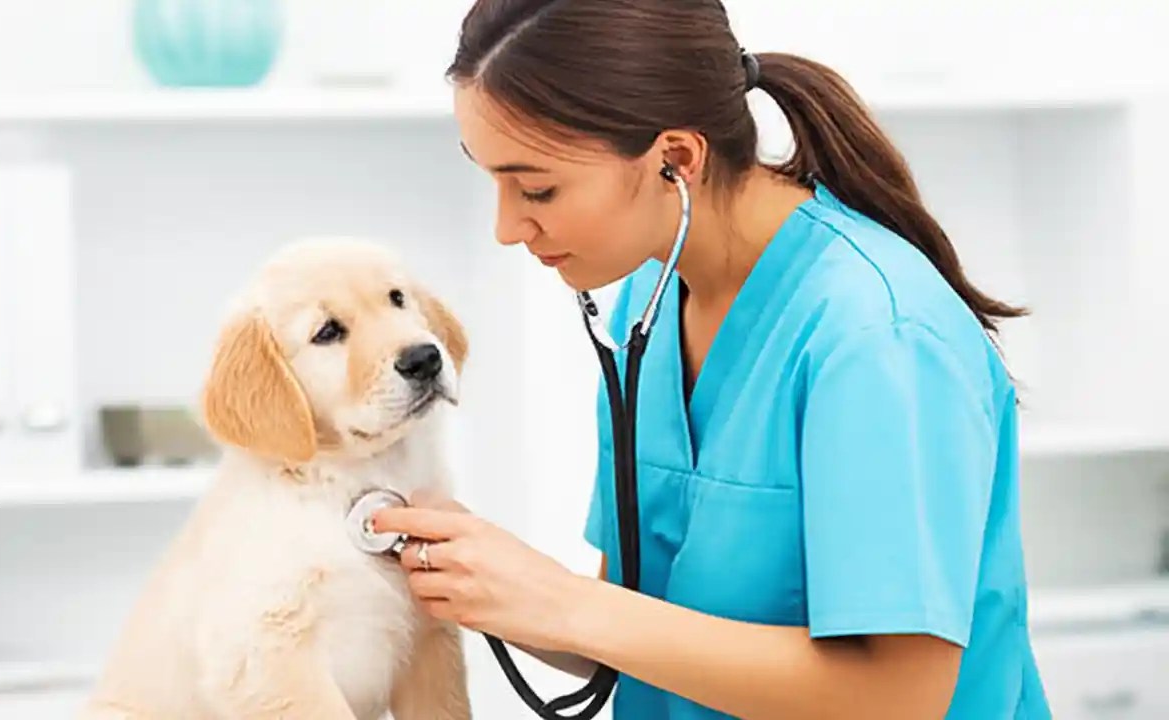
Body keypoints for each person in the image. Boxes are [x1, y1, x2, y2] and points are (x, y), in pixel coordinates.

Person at [372, 1, 1052, 718]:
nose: (508, 227)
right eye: (496, 183)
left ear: (677, 160)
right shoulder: (649, 302)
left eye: (537, 188)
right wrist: (489, 580)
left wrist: (563, 603)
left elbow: (896, 695)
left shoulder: (877, 338)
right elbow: (641, 631)